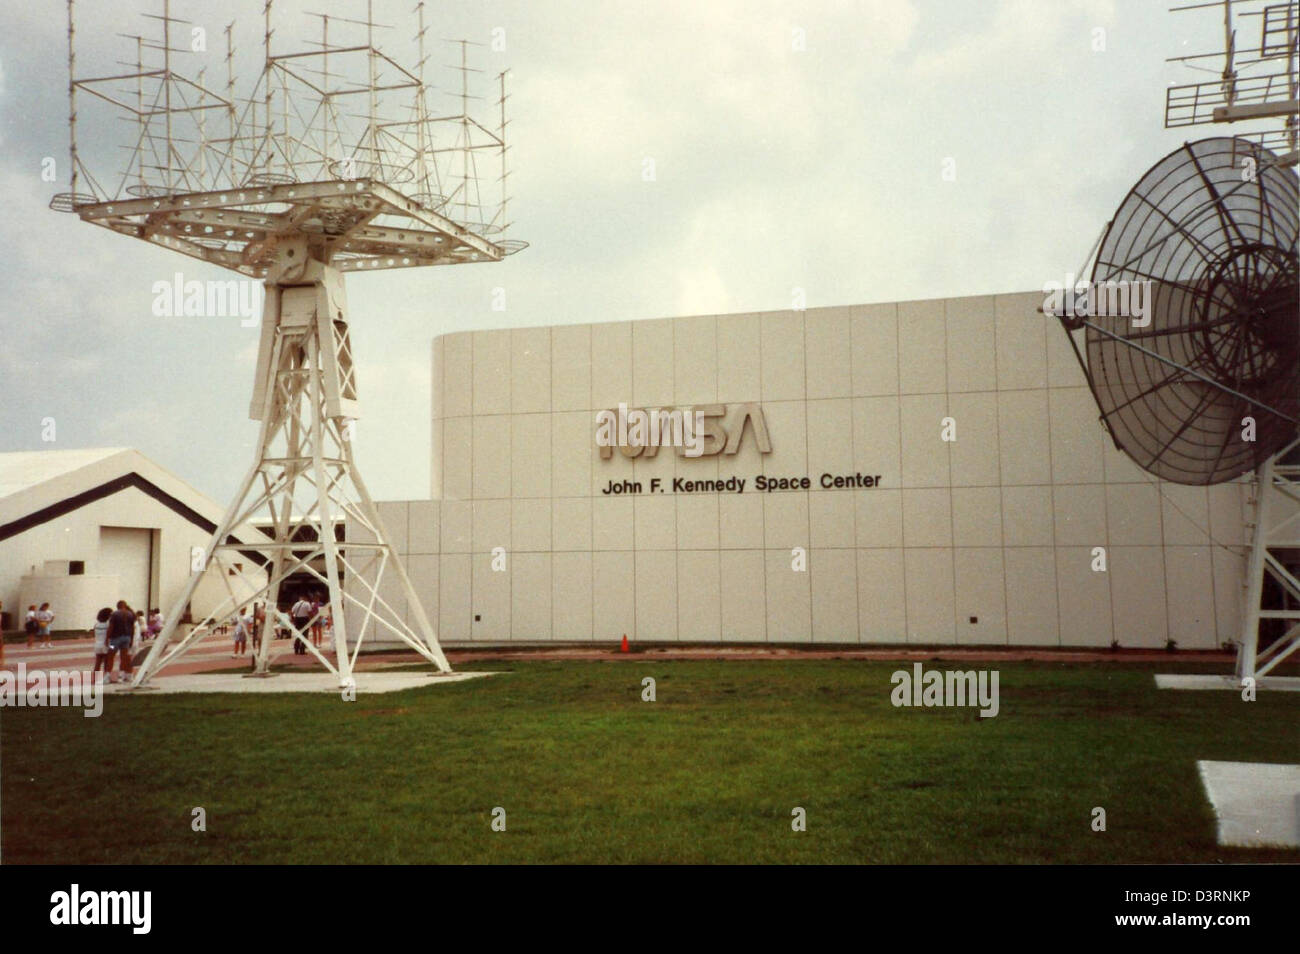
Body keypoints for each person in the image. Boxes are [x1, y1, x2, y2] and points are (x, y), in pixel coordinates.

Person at [105, 600, 136, 684]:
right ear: (125, 605)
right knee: (123, 657)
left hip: (115, 639)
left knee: (110, 656)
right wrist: (131, 639)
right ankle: (120, 676)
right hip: (126, 638)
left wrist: (107, 638)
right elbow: (133, 628)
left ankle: (107, 676)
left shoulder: (115, 614)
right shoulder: (130, 614)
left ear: (117, 606)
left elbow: (111, 627)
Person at [90, 607, 113, 679]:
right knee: (107, 662)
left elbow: (94, 634)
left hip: (97, 644)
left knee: (98, 662)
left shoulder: (96, 625)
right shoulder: (108, 625)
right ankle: (106, 678)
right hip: (106, 645)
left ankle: (95, 678)